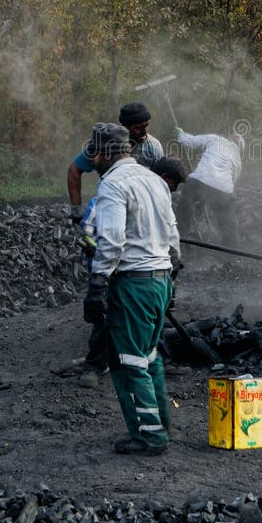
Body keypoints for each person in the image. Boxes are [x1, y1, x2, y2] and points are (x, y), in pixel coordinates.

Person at [83, 123, 180, 456]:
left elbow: (110, 240)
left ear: (108, 151)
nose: (92, 158)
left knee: (128, 361)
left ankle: (150, 437)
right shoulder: (153, 178)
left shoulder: (113, 185)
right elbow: (172, 232)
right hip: (160, 278)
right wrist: (171, 272)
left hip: (134, 283)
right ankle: (161, 423)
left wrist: (97, 284)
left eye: (95, 152)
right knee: (149, 356)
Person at [78, 155, 186, 388]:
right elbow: (91, 233)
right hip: (110, 269)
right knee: (105, 318)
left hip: (139, 270)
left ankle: (156, 360)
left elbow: (166, 234)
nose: (174, 190)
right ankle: (94, 366)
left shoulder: (155, 196)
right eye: (174, 184)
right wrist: (102, 267)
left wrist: (171, 265)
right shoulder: (114, 191)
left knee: (150, 318)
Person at [67, 101, 164, 224]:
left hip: (141, 209)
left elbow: (160, 184)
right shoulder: (105, 143)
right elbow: (74, 170)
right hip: (111, 202)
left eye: (147, 125)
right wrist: (77, 210)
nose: (145, 131)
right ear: (125, 127)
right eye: (138, 128)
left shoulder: (154, 147)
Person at [173, 128, 244, 246]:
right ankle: (232, 252)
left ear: (230, 138)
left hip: (199, 181)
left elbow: (192, 141)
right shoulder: (238, 160)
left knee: (184, 209)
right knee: (229, 226)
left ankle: (180, 239)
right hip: (223, 190)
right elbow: (232, 181)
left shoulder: (215, 139)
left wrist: (180, 134)